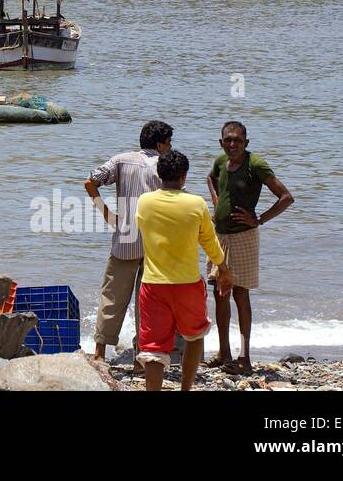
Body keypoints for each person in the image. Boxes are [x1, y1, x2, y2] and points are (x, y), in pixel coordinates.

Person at [135, 150, 232, 391]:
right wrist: (223, 268)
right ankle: (185, 389)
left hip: (153, 284)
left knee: (154, 350)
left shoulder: (144, 202)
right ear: (184, 176)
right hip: (188, 284)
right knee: (195, 336)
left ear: (159, 174)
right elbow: (209, 241)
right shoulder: (196, 203)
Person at [205, 121, 294, 375]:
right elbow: (210, 178)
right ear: (221, 142)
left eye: (238, 140)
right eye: (228, 140)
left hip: (244, 237)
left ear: (246, 143)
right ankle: (224, 353)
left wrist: (260, 219)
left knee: (240, 294)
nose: (232, 144)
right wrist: (216, 201)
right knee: (219, 293)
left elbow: (286, 197)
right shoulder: (221, 161)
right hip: (219, 236)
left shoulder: (255, 164)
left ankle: (245, 358)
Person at [84, 120, 172, 367]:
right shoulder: (166, 165)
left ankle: (100, 353)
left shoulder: (121, 160)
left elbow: (90, 181)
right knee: (149, 301)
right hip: (157, 243)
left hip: (125, 238)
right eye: (169, 142)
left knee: (112, 296)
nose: (170, 147)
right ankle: (141, 357)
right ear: (160, 144)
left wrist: (107, 214)